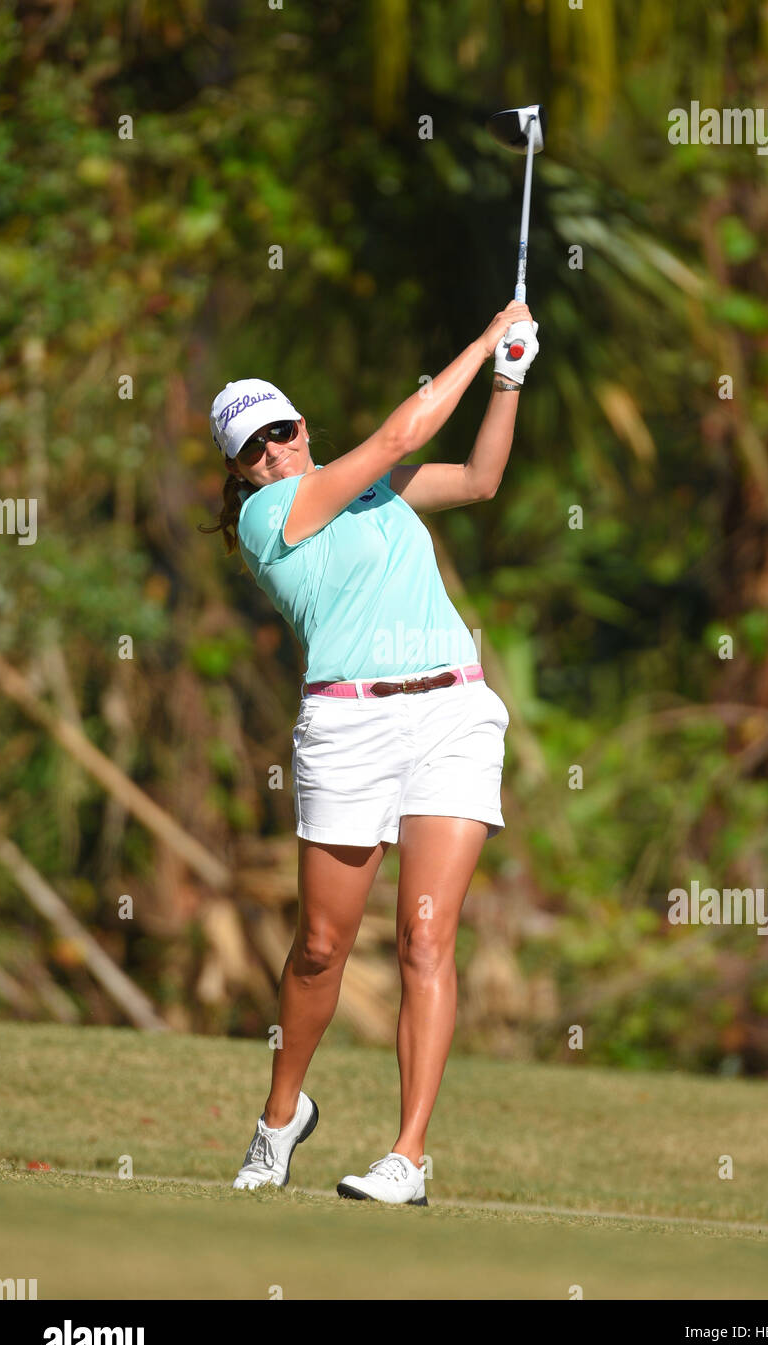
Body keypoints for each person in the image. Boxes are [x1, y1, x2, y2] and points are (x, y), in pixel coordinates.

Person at [202, 302, 539, 1205]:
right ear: (239, 472)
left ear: (302, 426)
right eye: (253, 449)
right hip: (349, 729)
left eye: (282, 432)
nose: (274, 451)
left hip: (452, 716)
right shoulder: (271, 517)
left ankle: (408, 1156)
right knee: (320, 947)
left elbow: (476, 479)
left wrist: (507, 376)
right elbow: (400, 432)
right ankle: (280, 1121)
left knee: (426, 940)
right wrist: (480, 337)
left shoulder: (370, 492)